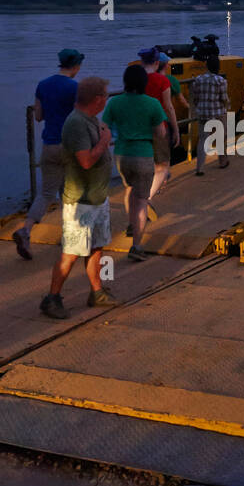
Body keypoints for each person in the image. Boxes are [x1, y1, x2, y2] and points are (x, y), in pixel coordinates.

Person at [40, 76, 118, 319]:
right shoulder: (75, 124)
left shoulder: (90, 120)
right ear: (97, 99)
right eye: (105, 95)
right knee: (71, 252)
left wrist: (102, 137)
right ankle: (52, 298)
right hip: (80, 202)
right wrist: (105, 142)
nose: (107, 99)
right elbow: (85, 161)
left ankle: (97, 292)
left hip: (97, 197)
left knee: (96, 247)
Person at [12, 48, 83, 260]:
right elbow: (81, 116)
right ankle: (69, 237)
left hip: (49, 145)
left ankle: (25, 230)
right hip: (70, 146)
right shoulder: (75, 87)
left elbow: (38, 116)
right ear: (76, 66)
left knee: (46, 193)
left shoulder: (43, 85)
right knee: (71, 194)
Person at [103, 64, 168, 262]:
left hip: (121, 154)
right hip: (143, 153)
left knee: (129, 189)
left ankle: (132, 224)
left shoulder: (114, 103)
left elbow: (104, 127)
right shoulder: (152, 104)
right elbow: (160, 133)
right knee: (141, 201)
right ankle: (136, 245)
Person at [140, 47, 179, 208]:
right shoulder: (163, 81)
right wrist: (176, 129)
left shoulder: (137, 79)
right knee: (162, 165)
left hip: (139, 127)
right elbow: (169, 107)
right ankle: (147, 199)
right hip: (158, 127)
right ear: (157, 63)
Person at [190, 55, 230, 175]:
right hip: (217, 113)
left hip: (203, 113)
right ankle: (222, 162)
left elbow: (195, 98)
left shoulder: (198, 79)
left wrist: (199, 107)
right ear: (218, 66)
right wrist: (227, 106)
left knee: (203, 139)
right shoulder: (221, 81)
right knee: (221, 137)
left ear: (206, 66)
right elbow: (223, 98)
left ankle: (199, 168)